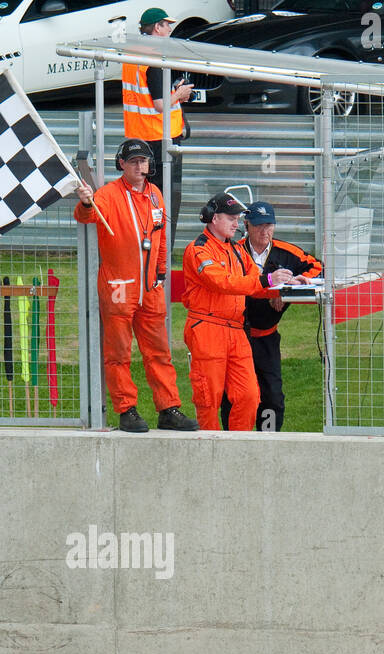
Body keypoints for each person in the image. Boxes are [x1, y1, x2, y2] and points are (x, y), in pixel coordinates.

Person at [74, 138, 198, 433]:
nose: (140, 166)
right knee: (118, 353)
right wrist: (85, 200)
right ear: (122, 165)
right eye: (133, 162)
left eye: (143, 161)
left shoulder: (155, 194)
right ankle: (126, 409)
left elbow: (161, 234)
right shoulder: (108, 194)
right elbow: (86, 215)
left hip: (150, 287)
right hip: (119, 286)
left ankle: (168, 408)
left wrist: (162, 272)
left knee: (159, 352)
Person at [220, 201, 322, 432]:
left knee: (272, 394)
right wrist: (269, 288)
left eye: (269, 225)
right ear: (246, 225)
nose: (264, 231)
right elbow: (228, 283)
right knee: (235, 393)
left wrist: (286, 290)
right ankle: (233, 439)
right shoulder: (233, 251)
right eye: (258, 226)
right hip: (236, 335)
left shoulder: (287, 252)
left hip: (267, 336)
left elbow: (318, 268)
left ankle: (269, 440)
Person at [182, 194, 276, 431]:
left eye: (237, 219)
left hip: (236, 331)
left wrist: (286, 285)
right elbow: (222, 283)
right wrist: (267, 281)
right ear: (214, 218)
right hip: (207, 329)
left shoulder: (236, 250)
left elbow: (255, 283)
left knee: (249, 396)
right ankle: (208, 453)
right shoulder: (198, 250)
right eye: (232, 218)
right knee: (208, 399)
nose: (236, 223)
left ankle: (236, 451)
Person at [122, 7, 193, 233]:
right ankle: (162, 253)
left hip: (139, 137)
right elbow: (160, 104)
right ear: (156, 28)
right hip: (160, 139)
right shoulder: (155, 57)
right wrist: (179, 95)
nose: (170, 29)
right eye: (166, 24)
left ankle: (146, 242)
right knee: (165, 200)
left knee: (144, 196)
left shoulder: (132, 53)